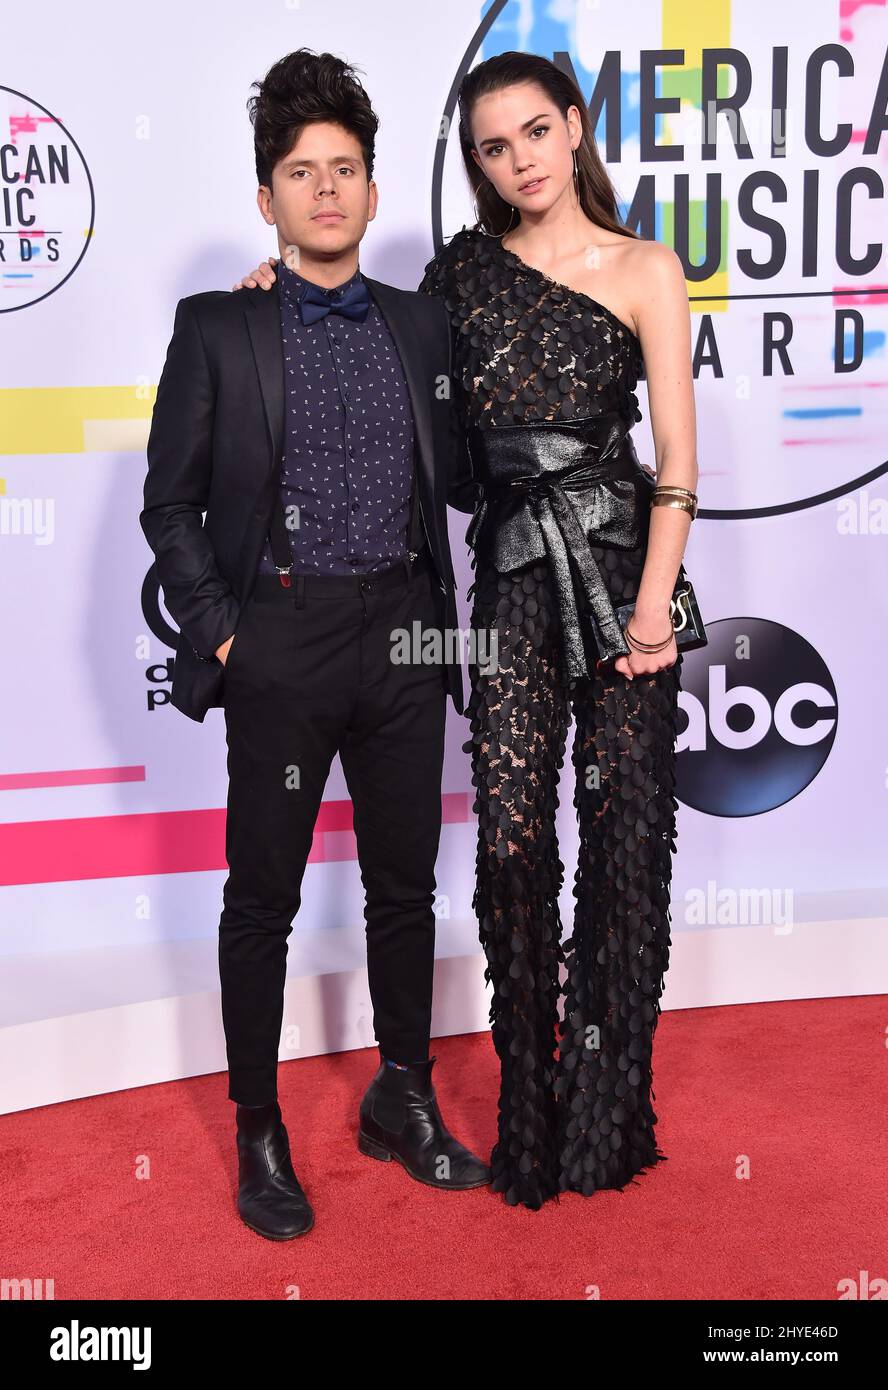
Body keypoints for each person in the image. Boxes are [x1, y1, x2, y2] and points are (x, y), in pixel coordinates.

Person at [236, 51, 698, 1210]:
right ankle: (529, 1121)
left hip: (621, 576)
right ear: (478, 163)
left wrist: (653, 606)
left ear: (577, 129)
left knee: (627, 841)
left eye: (537, 133)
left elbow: (681, 466)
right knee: (507, 846)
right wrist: (277, 292)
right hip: (506, 589)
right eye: (494, 147)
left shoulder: (647, 268)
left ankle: (603, 1116)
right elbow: (374, 357)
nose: (520, 161)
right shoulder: (456, 279)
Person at [140, 48, 490, 1243]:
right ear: (267, 198)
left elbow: (477, 470)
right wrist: (232, 636)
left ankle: (403, 1093)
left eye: (345, 169)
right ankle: (259, 1126)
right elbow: (168, 506)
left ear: (374, 191)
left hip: (403, 632)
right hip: (280, 639)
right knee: (263, 902)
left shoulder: (424, 324)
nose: (326, 190)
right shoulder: (219, 328)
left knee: (405, 888)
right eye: (302, 172)